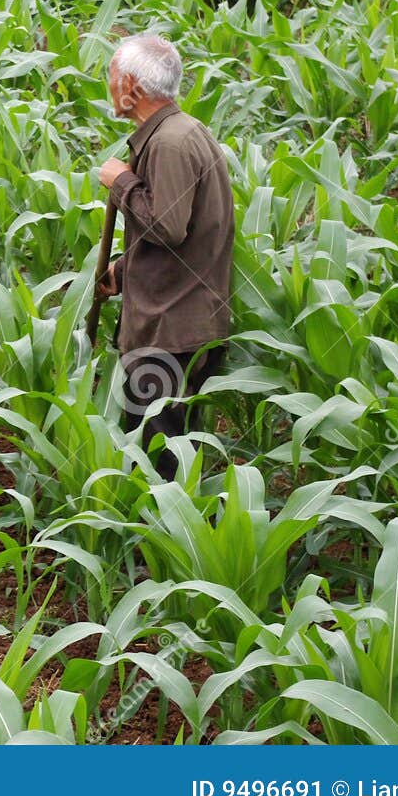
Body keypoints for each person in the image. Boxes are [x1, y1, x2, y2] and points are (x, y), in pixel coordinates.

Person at [95, 34, 233, 479]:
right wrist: (123, 270)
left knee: (159, 463)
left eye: (112, 77)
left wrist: (120, 182)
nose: (109, 86)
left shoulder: (170, 143)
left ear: (131, 83)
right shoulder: (178, 133)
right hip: (176, 321)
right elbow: (185, 234)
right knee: (163, 450)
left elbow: (168, 227)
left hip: (169, 332)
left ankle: (154, 546)